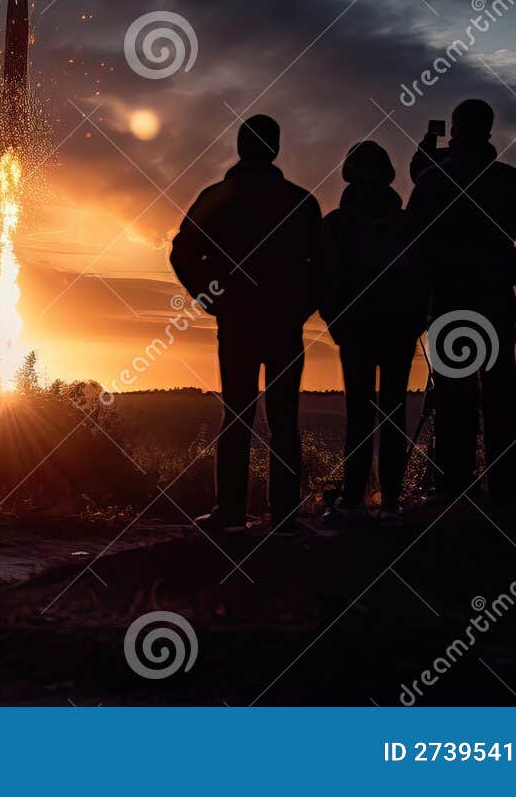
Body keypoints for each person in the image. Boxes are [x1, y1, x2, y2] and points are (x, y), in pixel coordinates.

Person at [169, 115, 330, 534]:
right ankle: (285, 515)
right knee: (284, 417)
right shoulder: (300, 201)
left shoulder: (218, 196)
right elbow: (325, 266)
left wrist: (210, 298)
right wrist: (302, 307)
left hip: (237, 321)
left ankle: (231, 512)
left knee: (237, 414)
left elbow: (183, 252)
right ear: (275, 149)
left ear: (241, 147)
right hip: (283, 324)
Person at [405, 99, 516, 505]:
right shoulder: (508, 179)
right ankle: (505, 488)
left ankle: (455, 486)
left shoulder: (433, 181)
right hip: (495, 301)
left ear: (454, 129)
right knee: (501, 399)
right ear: (488, 130)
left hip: (450, 304)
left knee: (455, 399)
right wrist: (514, 265)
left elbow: (411, 241)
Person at [318, 140, 427, 523]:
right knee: (393, 413)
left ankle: (352, 502)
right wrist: (418, 321)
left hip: (356, 330)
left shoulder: (336, 223)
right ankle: (391, 503)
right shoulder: (406, 223)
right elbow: (425, 276)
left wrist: (336, 323)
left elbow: (322, 279)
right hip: (399, 329)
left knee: (359, 416)